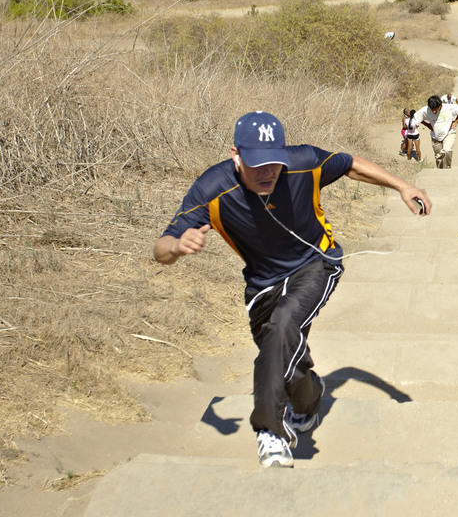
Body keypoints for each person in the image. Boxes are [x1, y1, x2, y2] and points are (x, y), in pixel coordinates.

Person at [153, 111, 431, 468]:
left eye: (274, 163)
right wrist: (177, 248)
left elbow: (350, 164)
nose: (268, 173)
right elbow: (161, 248)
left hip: (317, 262)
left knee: (283, 325)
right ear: (236, 156)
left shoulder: (302, 163)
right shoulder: (213, 188)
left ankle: (269, 430)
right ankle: (309, 397)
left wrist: (402, 186)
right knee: (281, 351)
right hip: (262, 283)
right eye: (257, 165)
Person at [418, 94, 458, 168]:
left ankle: (447, 168)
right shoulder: (426, 110)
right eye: (432, 109)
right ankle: (440, 171)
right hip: (435, 136)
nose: (434, 111)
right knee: (438, 156)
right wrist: (427, 125)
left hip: (449, 133)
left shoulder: (448, 108)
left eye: (436, 109)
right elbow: (417, 116)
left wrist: (456, 122)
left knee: (447, 150)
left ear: (440, 105)